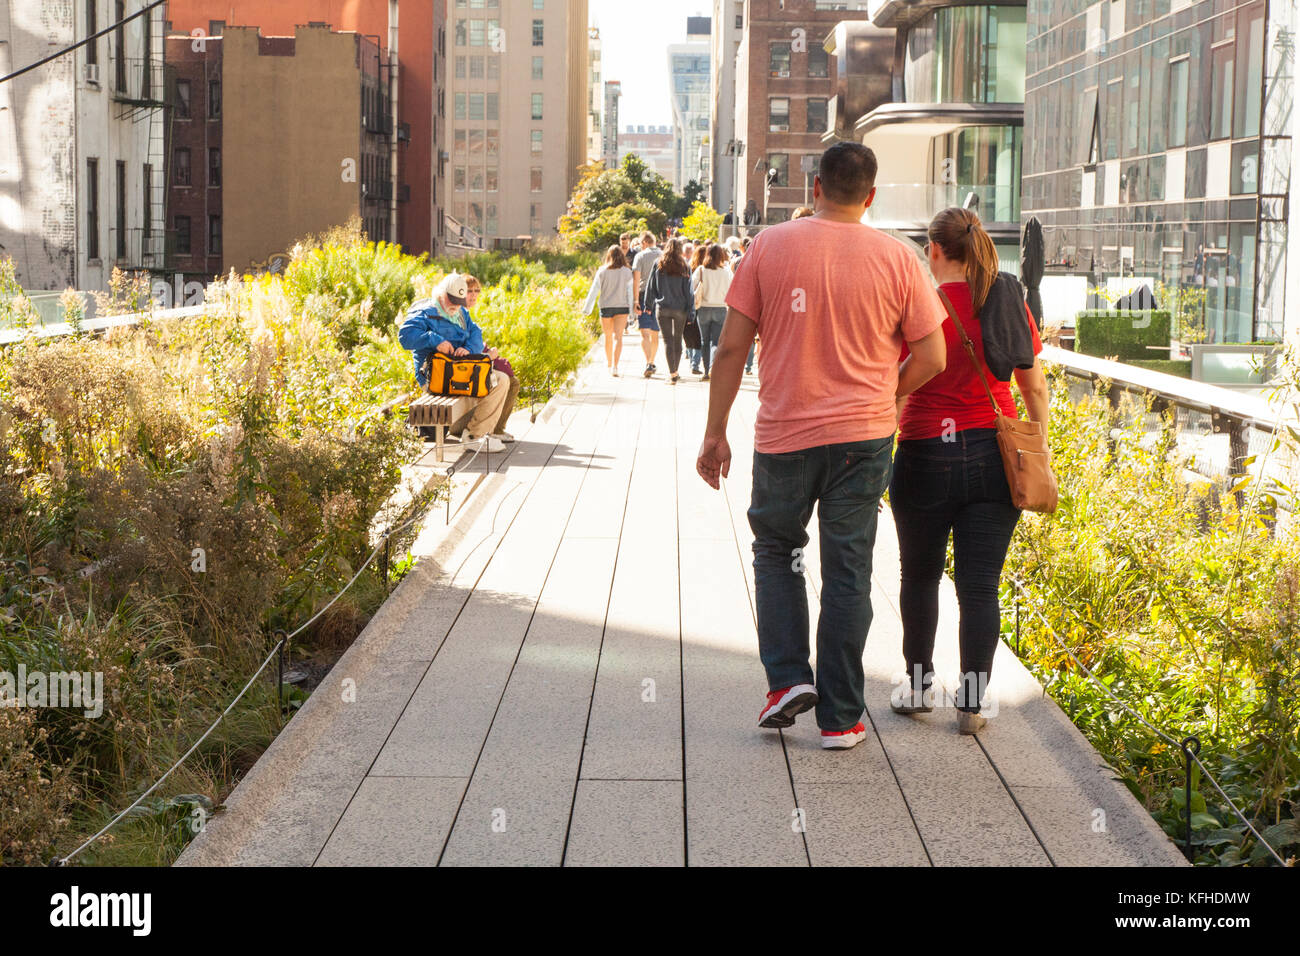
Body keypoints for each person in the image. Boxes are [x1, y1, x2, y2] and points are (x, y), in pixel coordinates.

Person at [695, 142, 947, 749]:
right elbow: (933, 356)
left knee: (778, 550)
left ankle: (786, 682)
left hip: (784, 435)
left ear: (814, 188)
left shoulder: (771, 246)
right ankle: (841, 717)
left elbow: (730, 348)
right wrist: (887, 394)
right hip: (864, 439)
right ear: (871, 195)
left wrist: (714, 431)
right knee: (848, 570)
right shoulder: (900, 258)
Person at [890, 208, 1049, 735]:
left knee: (919, 575)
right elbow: (1034, 387)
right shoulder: (1005, 300)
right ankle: (973, 704)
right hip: (991, 452)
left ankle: (916, 688)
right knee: (980, 585)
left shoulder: (918, 302)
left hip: (923, 451)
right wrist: (1037, 445)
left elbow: (894, 380)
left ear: (934, 250)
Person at [398, 272, 511, 452]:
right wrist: (435, 341)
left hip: (461, 373)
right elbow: (405, 337)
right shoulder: (424, 312)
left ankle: (474, 434)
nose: (456, 306)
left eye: (459, 301)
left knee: (501, 379)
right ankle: (476, 438)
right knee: (494, 382)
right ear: (441, 295)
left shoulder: (461, 312)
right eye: (452, 301)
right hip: (435, 378)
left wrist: (469, 349)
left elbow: (476, 333)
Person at [458, 275, 520, 443]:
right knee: (503, 380)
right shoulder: (456, 314)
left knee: (513, 381)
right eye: (469, 291)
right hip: (462, 372)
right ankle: (479, 433)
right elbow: (463, 351)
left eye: (476, 290)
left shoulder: (466, 315)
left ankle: (496, 429)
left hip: (473, 365)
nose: (473, 295)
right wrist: (487, 355)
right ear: (459, 292)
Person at [643, 236, 695, 385]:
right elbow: (689, 291)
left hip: (663, 307)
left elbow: (651, 286)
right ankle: (675, 371)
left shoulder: (659, 264)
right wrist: (691, 311)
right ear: (680, 250)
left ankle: (672, 372)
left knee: (667, 340)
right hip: (680, 308)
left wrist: (648, 304)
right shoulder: (685, 266)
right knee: (678, 339)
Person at [582, 245, 634, 376]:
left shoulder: (601, 271)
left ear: (608, 256)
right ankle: (615, 366)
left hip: (606, 307)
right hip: (622, 307)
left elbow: (594, 291)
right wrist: (632, 312)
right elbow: (630, 293)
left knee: (608, 337)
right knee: (619, 338)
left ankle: (609, 363)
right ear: (622, 256)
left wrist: (587, 309)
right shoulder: (627, 272)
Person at [691, 243, 732, 381]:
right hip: (720, 308)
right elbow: (731, 289)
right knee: (716, 341)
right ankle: (714, 366)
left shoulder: (701, 270)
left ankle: (706, 371)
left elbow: (692, 288)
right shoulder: (726, 272)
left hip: (703, 308)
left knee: (704, 340)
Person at [632, 231, 663, 378]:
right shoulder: (663, 255)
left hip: (644, 294)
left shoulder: (640, 256)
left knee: (644, 332)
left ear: (644, 243)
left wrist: (635, 300)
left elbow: (636, 280)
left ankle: (648, 362)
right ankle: (651, 361)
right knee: (655, 333)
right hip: (659, 295)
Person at [686, 242, 709, 374]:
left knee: (692, 333)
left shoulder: (691, 268)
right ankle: (695, 363)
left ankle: (693, 361)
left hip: (693, 304)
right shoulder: (707, 268)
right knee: (701, 335)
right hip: (705, 303)